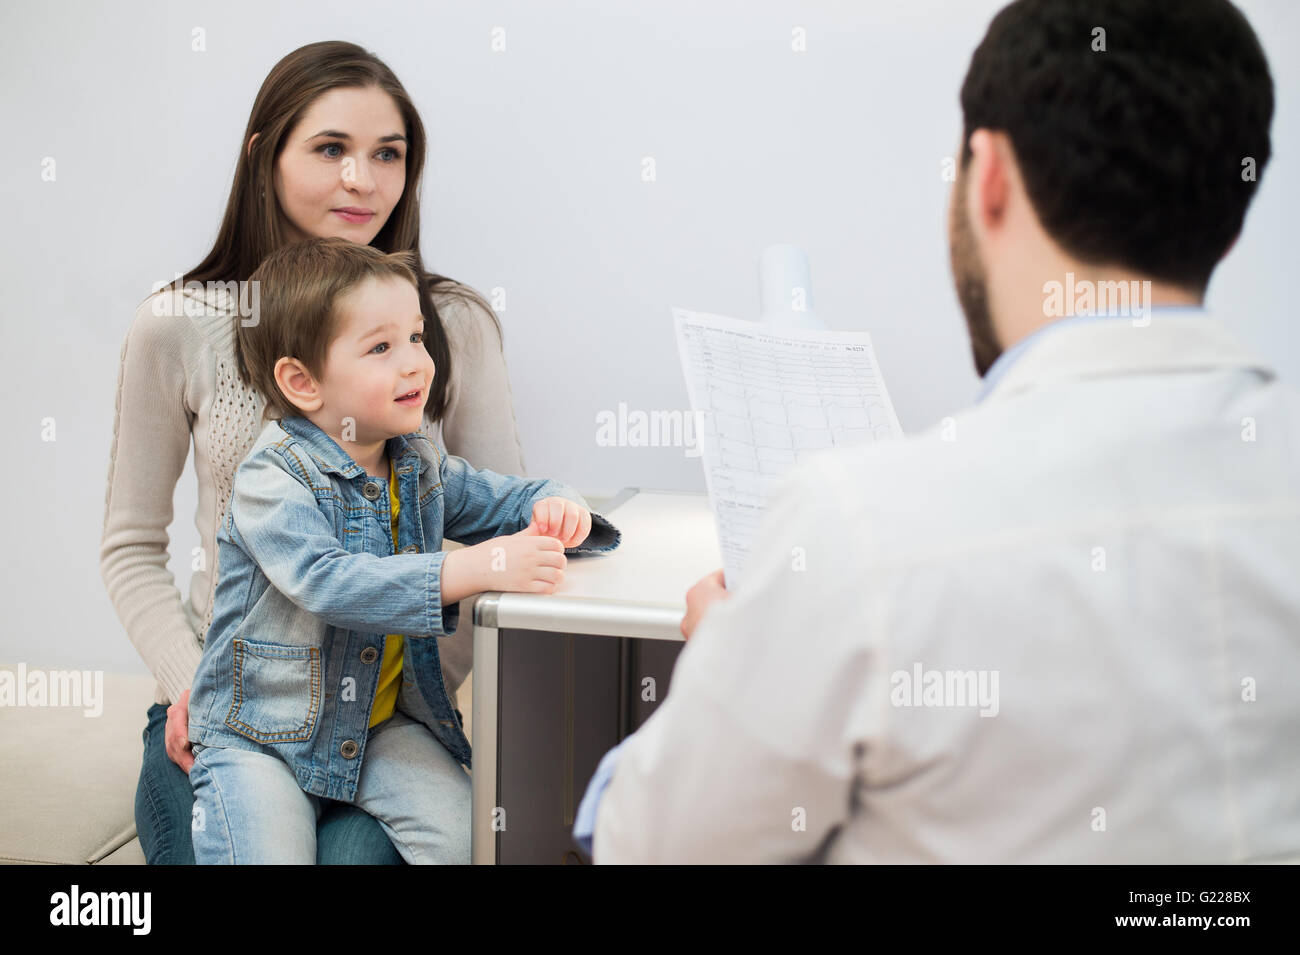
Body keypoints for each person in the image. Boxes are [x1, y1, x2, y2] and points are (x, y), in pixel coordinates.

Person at [575, 0, 1300, 863]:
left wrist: (726, 669)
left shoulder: (862, 527)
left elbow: (642, 844)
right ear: (1234, 206)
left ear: (987, 173)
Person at [100, 41, 540, 864]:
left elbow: (493, 531)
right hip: (223, 695)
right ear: (264, 158)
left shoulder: (452, 326)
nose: (362, 180)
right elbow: (130, 549)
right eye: (331, 148)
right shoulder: (177, 323)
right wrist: (191, 682)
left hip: (384, 717)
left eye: (389, 155)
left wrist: (412, 689)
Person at [185, 238, 619, 863]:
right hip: (261, 736)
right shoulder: (272, 477)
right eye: (381, 347)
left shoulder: (418, 462)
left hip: (375, 726)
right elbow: (329, 582)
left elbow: (506, 500)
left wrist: (559, 507)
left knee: (470, 840)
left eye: (416, 337)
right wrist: (468, 567)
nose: (415, 362)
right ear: (303, 381)